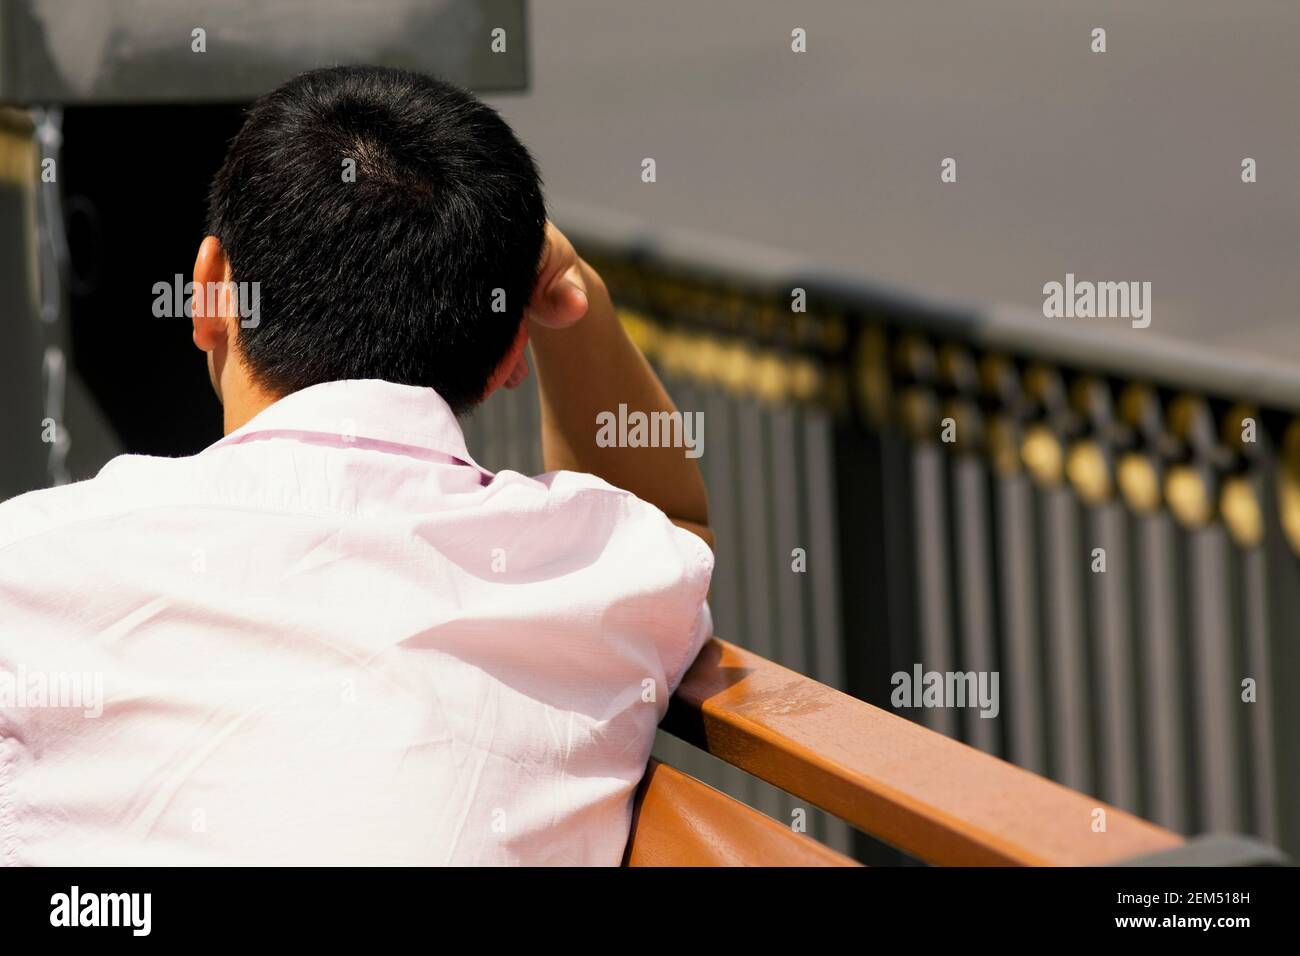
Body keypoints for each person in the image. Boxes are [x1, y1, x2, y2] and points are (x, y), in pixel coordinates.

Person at [0, 66, 713, 866]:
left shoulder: (28, 560)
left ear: (207, 293)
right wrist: (572, 297)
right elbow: (672, 523)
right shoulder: (586, 571)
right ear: (510, 350)